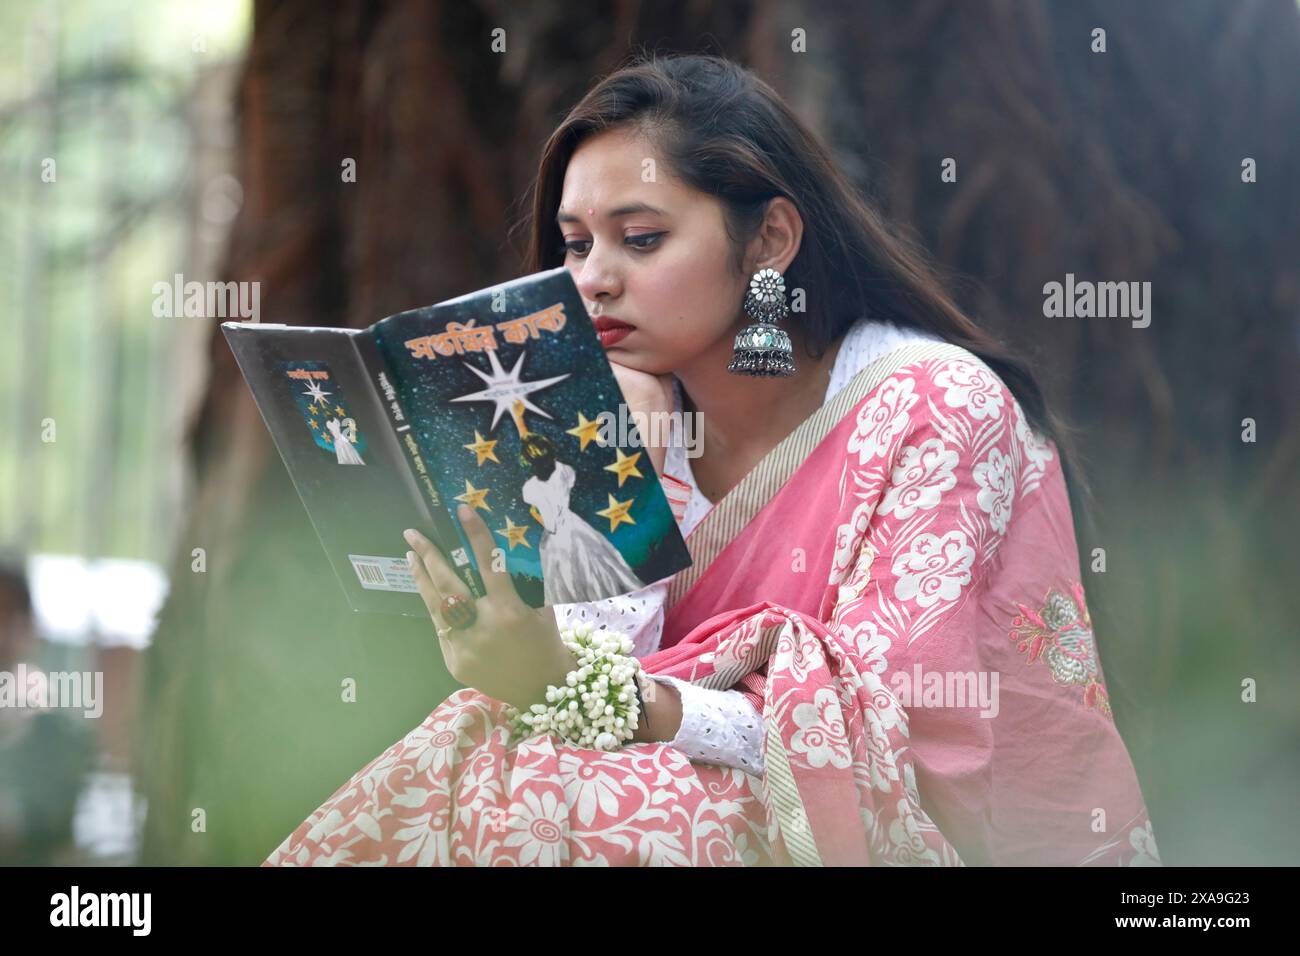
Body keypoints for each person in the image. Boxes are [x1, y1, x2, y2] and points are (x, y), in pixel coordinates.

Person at [264, 53, 1160, 866]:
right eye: (575, 244)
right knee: (489, 750)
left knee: (579, 794)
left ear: (769, 240)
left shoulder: (932, 410)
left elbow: (870, 747)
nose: (592, 279)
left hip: (924, 835)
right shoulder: (616, 412)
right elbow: (576, 702)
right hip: (693, 804)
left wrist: (588, 693)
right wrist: (629, 463)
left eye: (641, 238)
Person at [518, 433, 645, 605]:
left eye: (538, 451)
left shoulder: (563, 472)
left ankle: (607, 600)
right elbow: (536, 509)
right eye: (531, 453)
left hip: (572, 527)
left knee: (591, 563)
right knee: (562, 576)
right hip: (552, 537)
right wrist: (545, 522)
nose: (536, 455)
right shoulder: (530, 488)